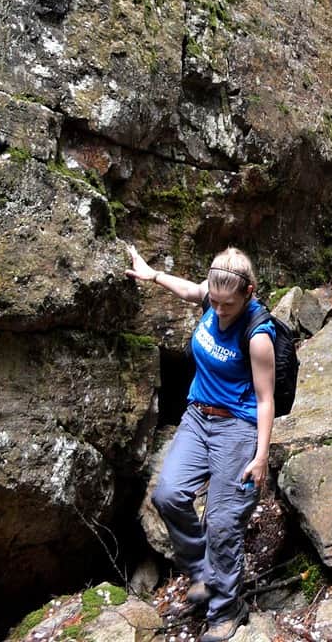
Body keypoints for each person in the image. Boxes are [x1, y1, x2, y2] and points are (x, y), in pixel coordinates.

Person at [127, 245, 276, 642]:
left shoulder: (259, 336)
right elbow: (190, 292)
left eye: (228, 304)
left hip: (238, 427)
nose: (220, 310)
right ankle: (201, 569)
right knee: (168, 495)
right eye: (215, 301)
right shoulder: (211, 296)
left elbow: (266, 400)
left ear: (248, 292)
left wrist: (261, 455)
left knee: (224, 522)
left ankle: (226, 611)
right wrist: (152, 274)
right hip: (197, 417)